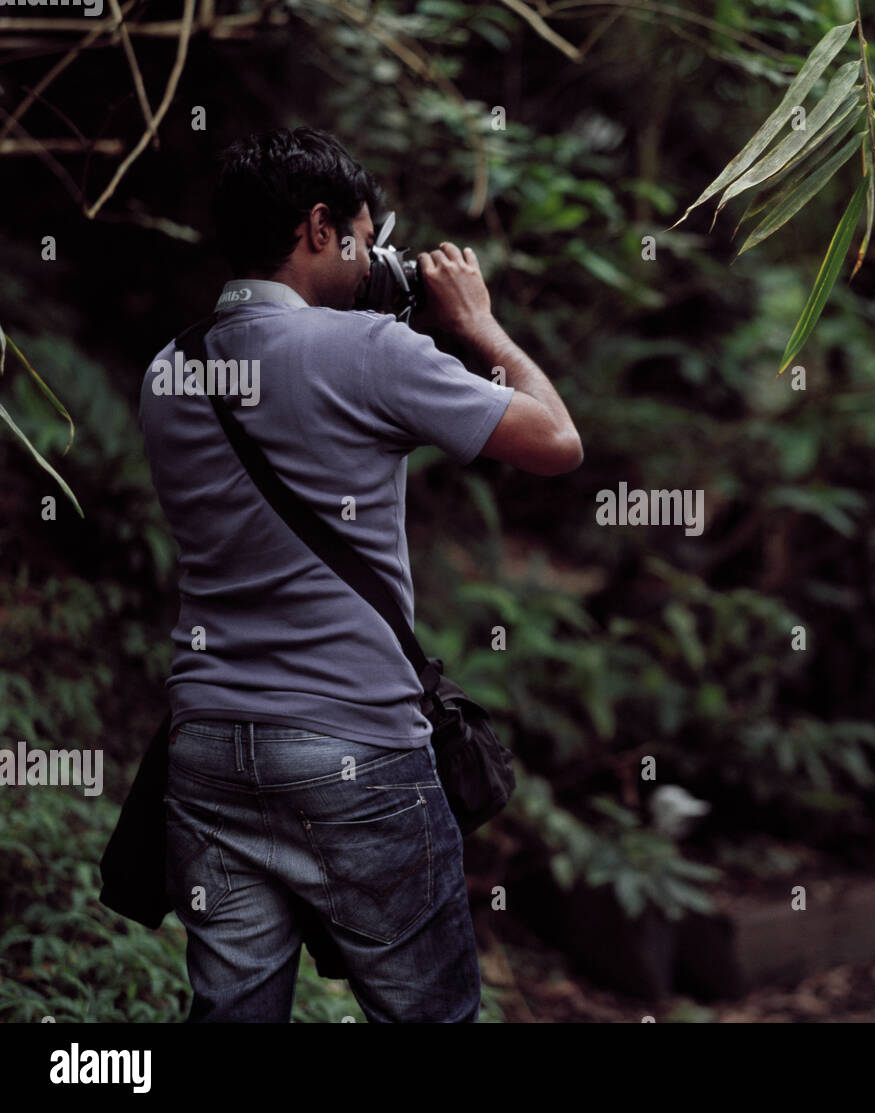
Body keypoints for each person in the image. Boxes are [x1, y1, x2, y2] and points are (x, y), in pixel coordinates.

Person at [138, 126, 581, 1022]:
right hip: (355, 748)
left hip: (211, 743)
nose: (375, 259)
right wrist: (477, 323)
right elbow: (557, 443)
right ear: (316, 229)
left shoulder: (168, 369)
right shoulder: (371, 351)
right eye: (364, 239)